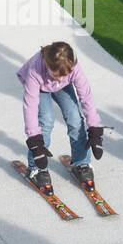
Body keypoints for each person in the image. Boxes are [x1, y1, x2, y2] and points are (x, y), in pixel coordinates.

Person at [17, 41, 105, 195]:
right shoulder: (35, 70)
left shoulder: (73, 68)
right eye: (56, 75)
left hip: (64, 87)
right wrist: (35, 145)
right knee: (46, 120)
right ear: (47, 64)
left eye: (64, 75)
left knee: (75, 118)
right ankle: (35, 168)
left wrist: (95, 130)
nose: (59, 79)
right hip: (40, 87)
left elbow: (86, 97)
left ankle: (81, 163)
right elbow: (29, 108)